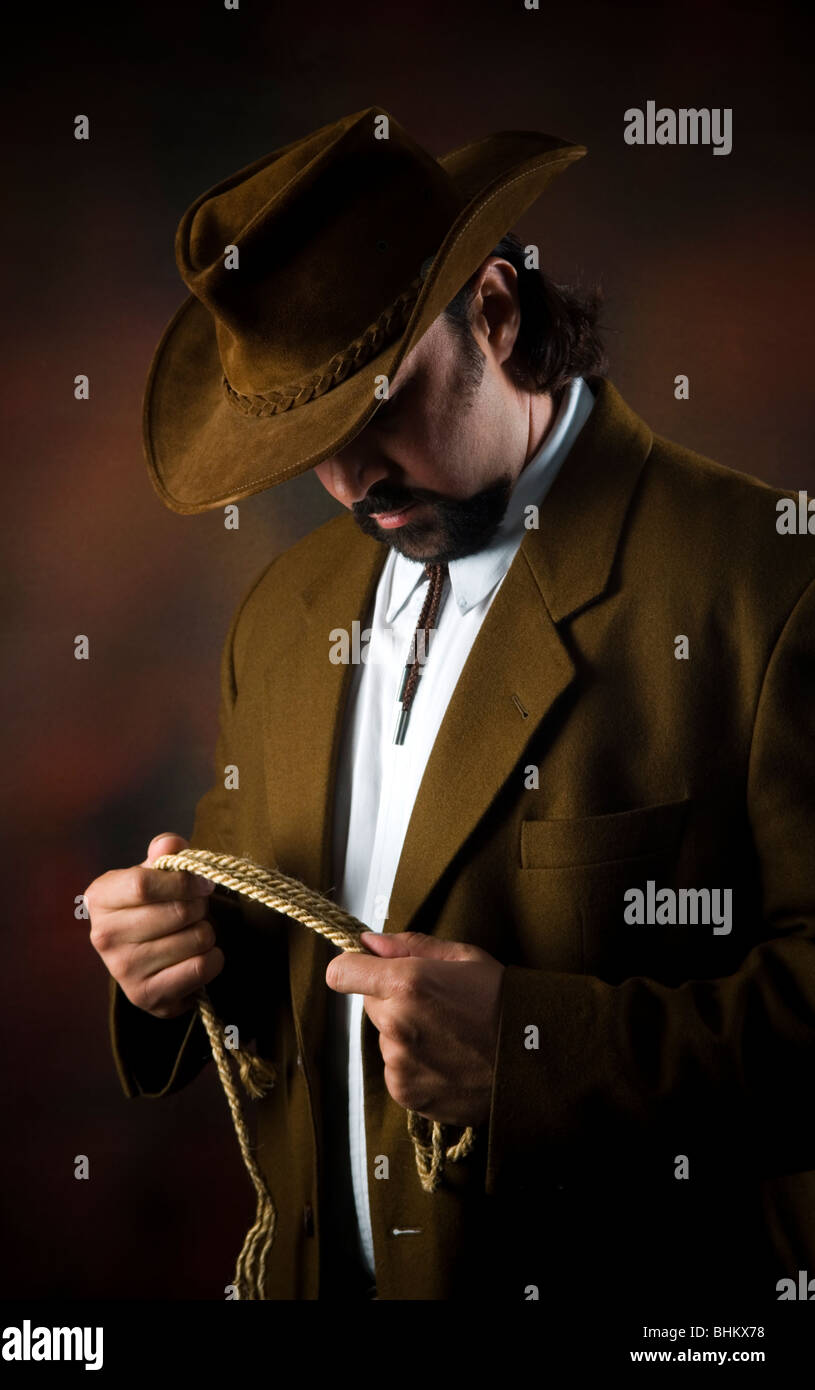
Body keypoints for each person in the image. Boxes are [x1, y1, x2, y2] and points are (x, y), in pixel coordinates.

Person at [86, 106, 815, 1307]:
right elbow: (281, 954)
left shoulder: (766, 589)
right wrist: (174, 957)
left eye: (377, 407)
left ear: (493, 311)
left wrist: (535, 1049)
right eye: (305, 442)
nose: (346, 481)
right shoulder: (280, 613)